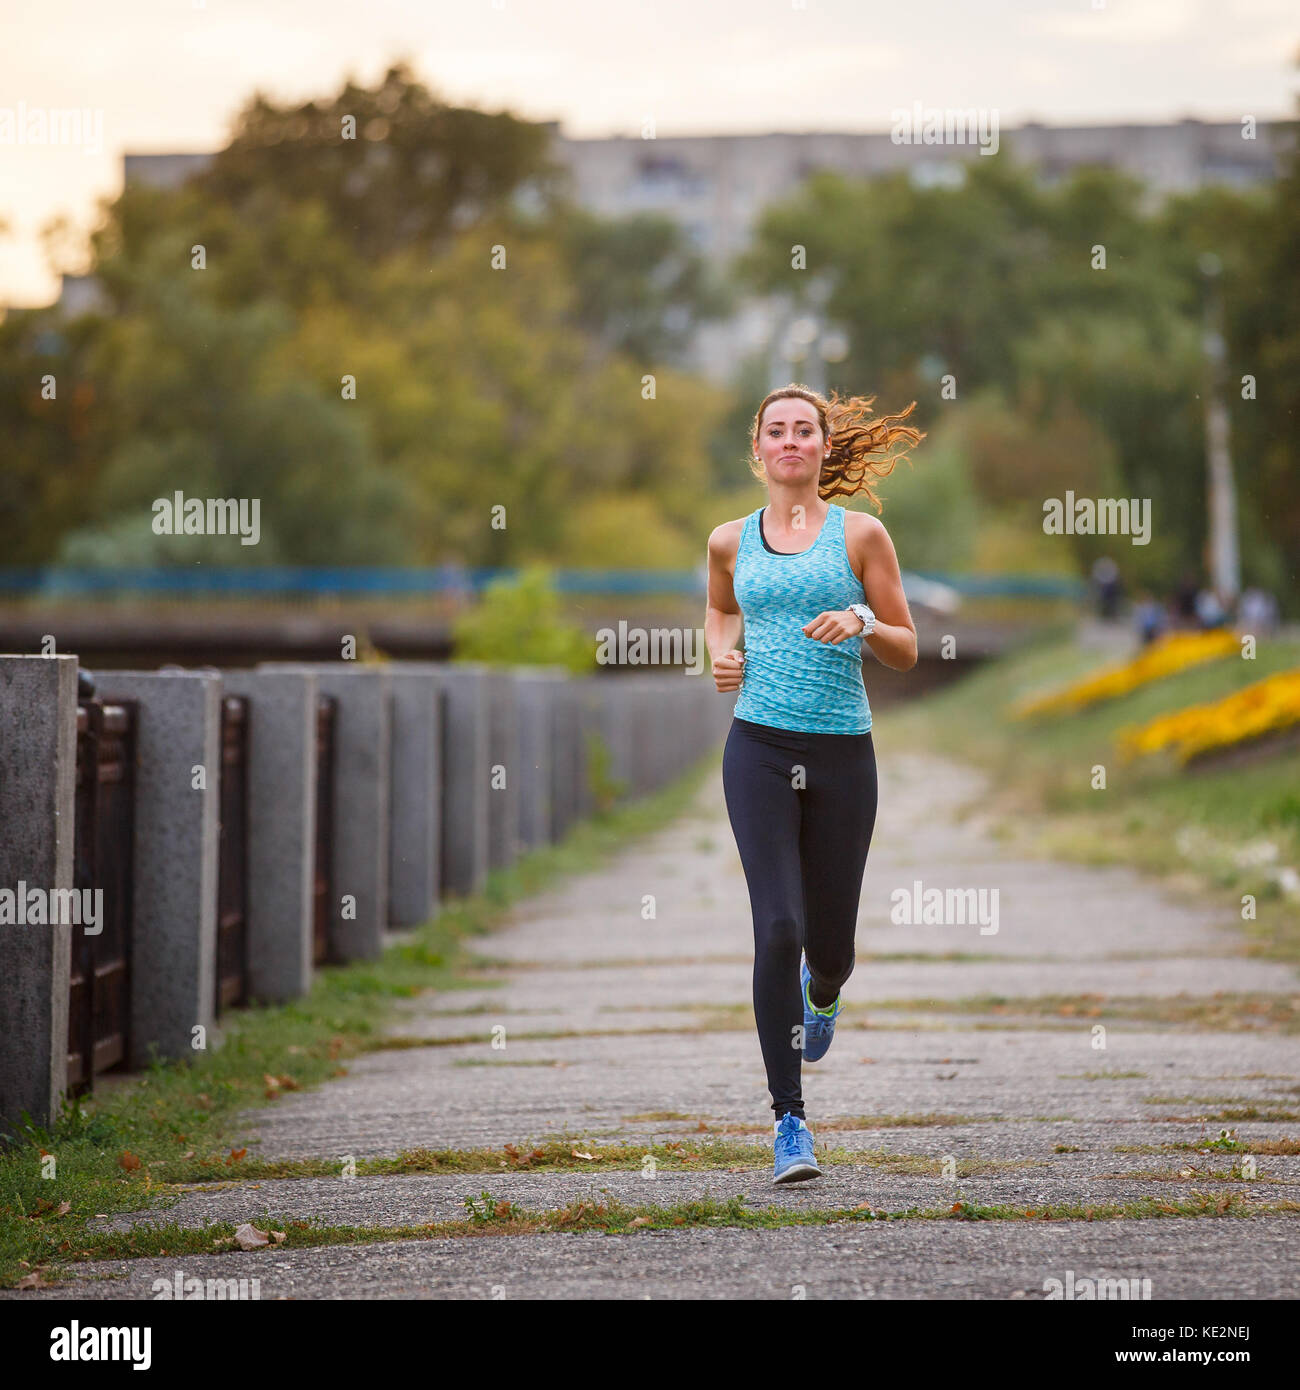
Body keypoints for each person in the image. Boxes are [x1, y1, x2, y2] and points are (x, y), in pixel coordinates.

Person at [705, 383, 922, 1184]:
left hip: (842, 755)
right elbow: (720, 611)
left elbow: (905, 644)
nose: (791, 441)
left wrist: (863, 621)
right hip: (757, 747)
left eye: (805, 430)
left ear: (825, 449)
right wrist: (719, 657)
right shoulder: (729, 540)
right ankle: (789, 1121)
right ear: (757, 450)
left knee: (828, 948)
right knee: (778, 928)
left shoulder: (861, 536)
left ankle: (823, 993)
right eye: (777, 431)